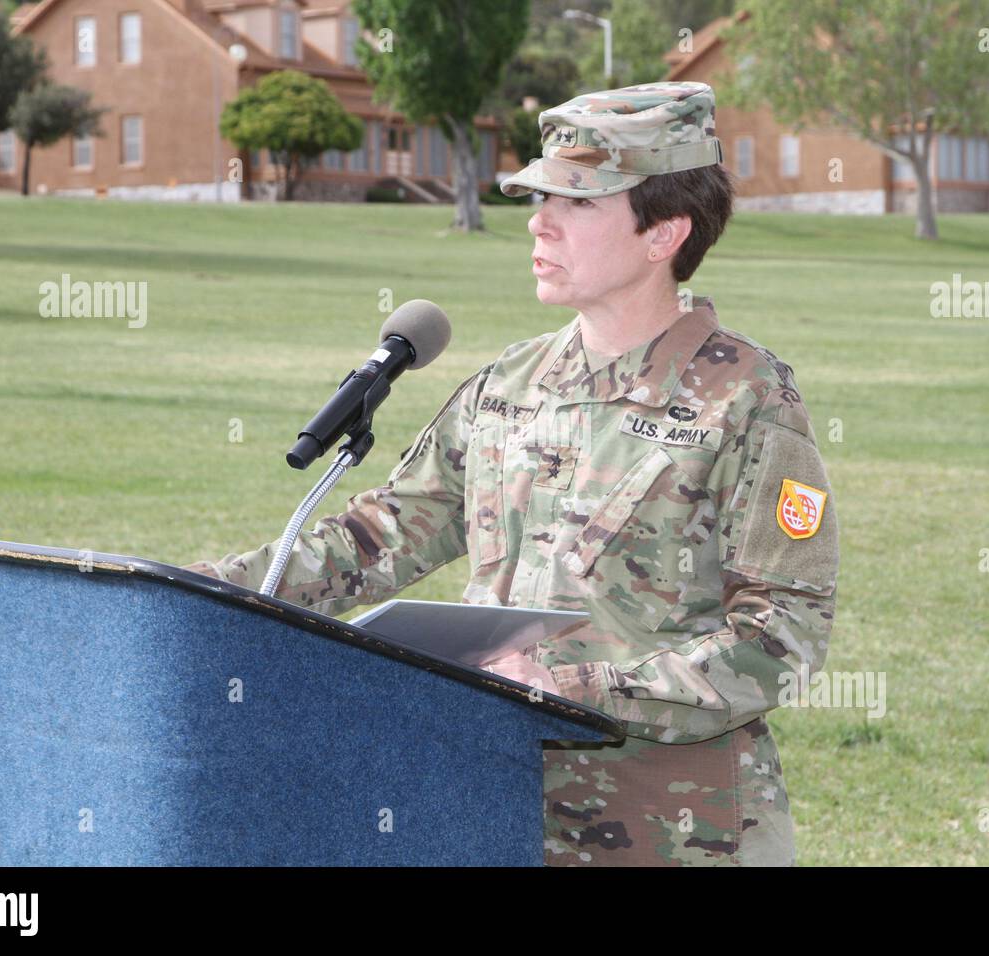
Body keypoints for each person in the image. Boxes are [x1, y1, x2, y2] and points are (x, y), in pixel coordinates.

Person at [187, 81, 839, 866]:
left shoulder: (747, 401)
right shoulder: (509, 387)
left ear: (663, 233)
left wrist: (584, 691)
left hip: (676, 831)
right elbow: (373, 539)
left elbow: (781, 639)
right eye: (539, 199)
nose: (540, 221)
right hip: (492, 808)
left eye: (578, 203)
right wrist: (202, 590)